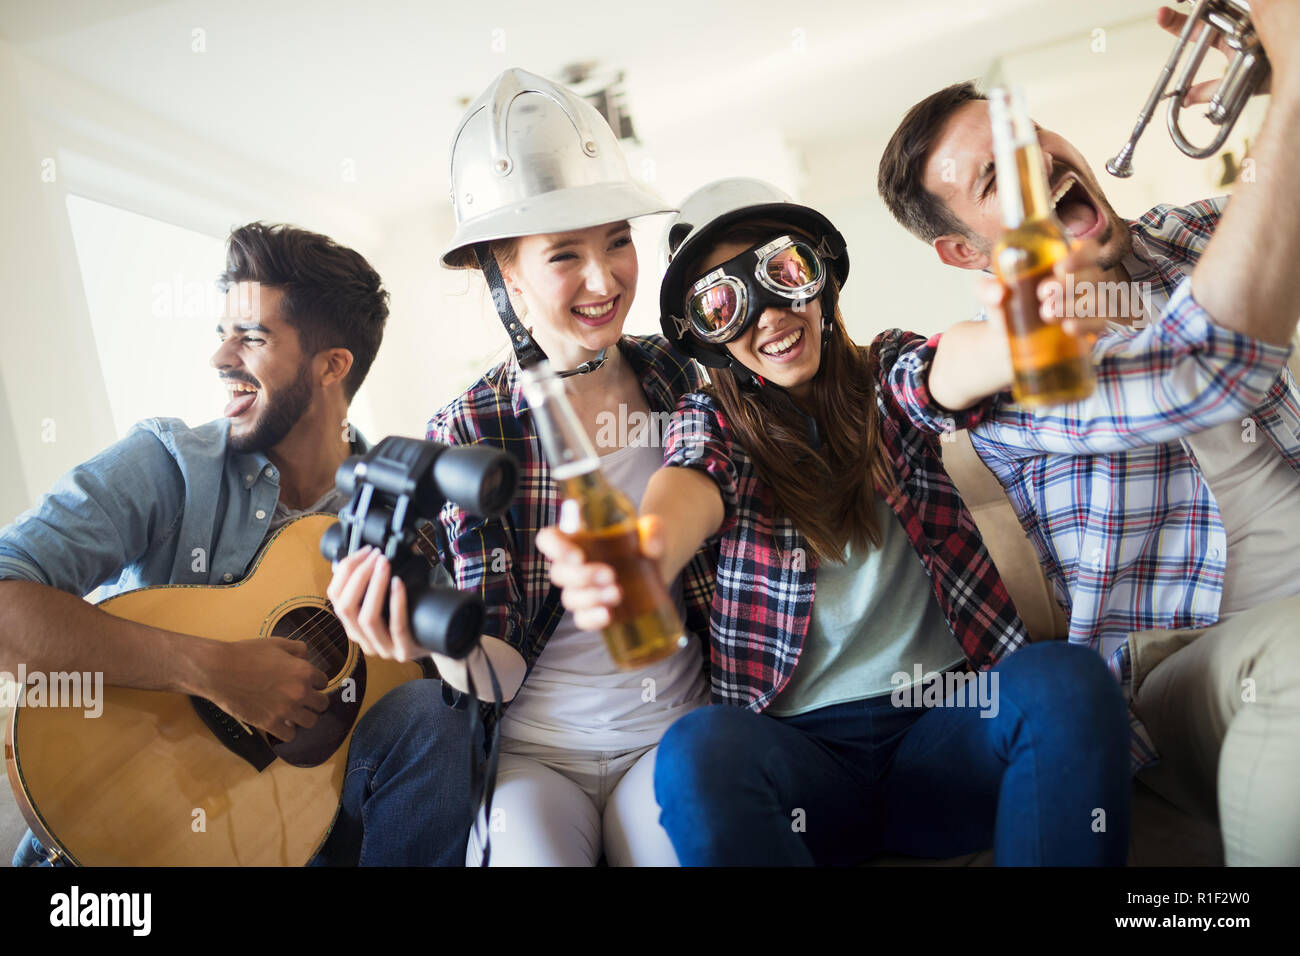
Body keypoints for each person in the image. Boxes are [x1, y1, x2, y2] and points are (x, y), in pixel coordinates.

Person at [538, 178, 1132, 866]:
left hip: (945, 741)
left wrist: (1015, 340)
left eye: (784, 273)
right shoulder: (714, 422)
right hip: (806, 773)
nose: (768, 317)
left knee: (1066, 680)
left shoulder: (883, 373)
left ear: (820, 277)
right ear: (708, 339)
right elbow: (687, 487)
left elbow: (941, 372)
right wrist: (645, 554)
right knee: (699, 748)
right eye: (726, 304)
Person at [874, 1, 1300, 864]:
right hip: (1183, 661)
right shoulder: (1006, 370)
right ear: (964, 252)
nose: (1036, 167)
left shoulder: (1195, 236)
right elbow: (1203, 370)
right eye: (997, 178)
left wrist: (1269, 81)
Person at [327, 68, 716, 866]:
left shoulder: (678, 378)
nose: (605, 280)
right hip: (540, 756)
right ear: (503, 272)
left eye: (618, 241)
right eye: (564, 254)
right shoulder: (471, 429)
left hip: (672, 731)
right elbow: (494, 668)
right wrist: (426, 625)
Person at [0, 222, 475, 867]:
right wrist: (212, 670)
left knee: (436, 711)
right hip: (102, 845)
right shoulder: (168, 465)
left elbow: (442, 718)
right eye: (223, 334)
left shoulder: (406, 526)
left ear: (332, 365)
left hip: (293, 836)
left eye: (251, 338)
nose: (221, 359)